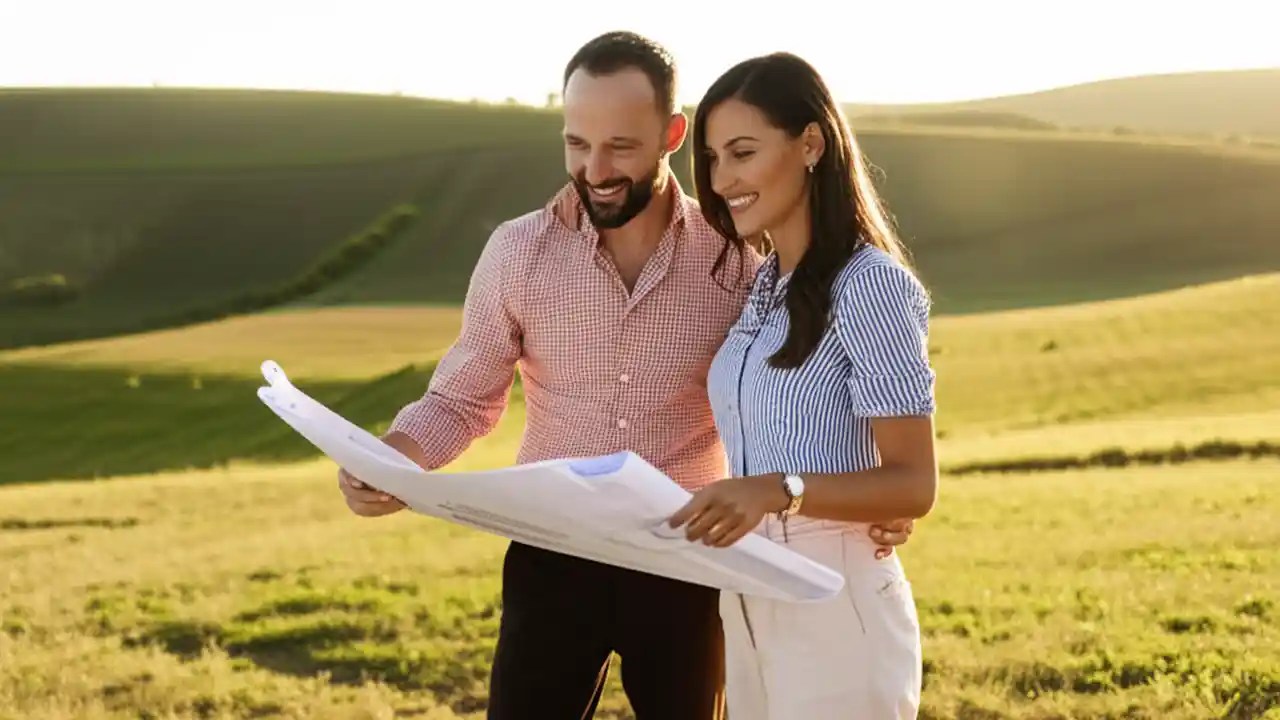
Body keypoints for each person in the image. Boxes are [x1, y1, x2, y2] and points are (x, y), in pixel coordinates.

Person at [336, 32, 915, 720]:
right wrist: (390, 462)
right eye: (576, 144)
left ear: (672, 134)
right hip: (550, 559)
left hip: (691, 562)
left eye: (619, 146)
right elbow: (462, 397)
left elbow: (799, 388)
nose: (595, 168)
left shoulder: (739, 263)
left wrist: (873, 496)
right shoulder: (518, 252)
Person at [666, 52, 938, 719]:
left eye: (743, 152)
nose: (724, 179)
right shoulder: (762, 286)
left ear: (810, 143)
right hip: (751, 594)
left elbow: (913, 484)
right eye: (713, 159)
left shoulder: (870, 284)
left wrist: (777, 490)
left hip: (835, 604)